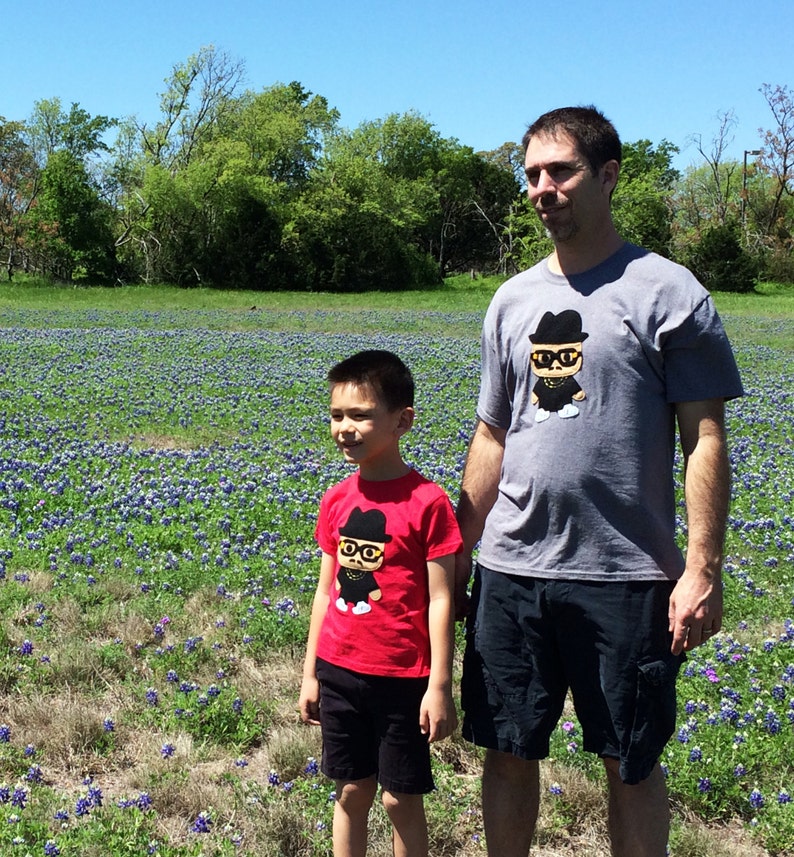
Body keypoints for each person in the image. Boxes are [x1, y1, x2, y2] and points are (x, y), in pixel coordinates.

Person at [455, 106, 743, 857]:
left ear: (608, 176)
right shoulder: (510, 299)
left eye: (561, 171)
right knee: (508, 747)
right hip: (513, 567)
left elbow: (704, 438)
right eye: (531, 176)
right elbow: (493, 431)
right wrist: (459, 543)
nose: (542, 189)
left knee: (631, 758)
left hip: (625, 574)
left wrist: (702, 568)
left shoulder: (669, 292)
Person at [300, 349, 463, 857]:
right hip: (340, 670)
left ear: (402, 420)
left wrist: (439, 684)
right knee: (350, 790)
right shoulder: (336, 500)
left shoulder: (429, 503)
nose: (345, 427)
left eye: (360, 415)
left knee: (399, 799)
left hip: (402, 677)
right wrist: (311, 673)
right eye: (336, 415)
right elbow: (326, 591)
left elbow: (442, 600)